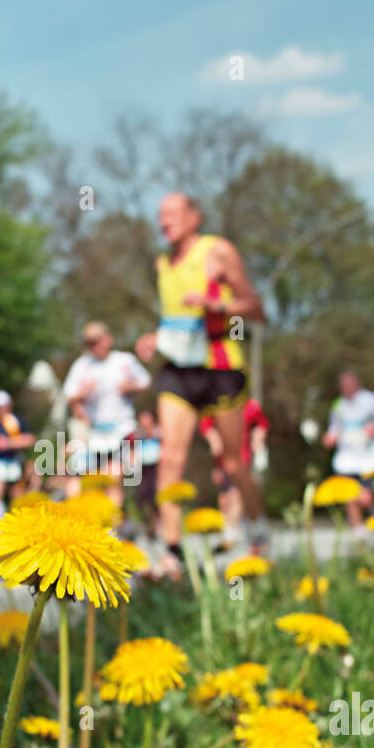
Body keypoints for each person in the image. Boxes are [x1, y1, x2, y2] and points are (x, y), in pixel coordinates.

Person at [134, 193, 269, 574]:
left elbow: (256, 309)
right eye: (160, 215)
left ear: (195, 217)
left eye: (172, 214)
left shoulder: (217, 252)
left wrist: (217, 307)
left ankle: (257, 533)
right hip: (179, 368)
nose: (165, 222)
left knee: (231, 461)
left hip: (221, 366)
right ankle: (170, 552)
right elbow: (174, 318)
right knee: (170, 457)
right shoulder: (162, 263)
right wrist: (153, 338)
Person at [61, 321, 151, 506]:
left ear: (108, 339)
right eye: (89, 343)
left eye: (96, 341)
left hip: (121, 429)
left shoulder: (124, 360)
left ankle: (112, 526)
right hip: (93, 432)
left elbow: (145, 381)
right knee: (85, 479)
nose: (93, 347)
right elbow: (68, 394)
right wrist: (82, 394)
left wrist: (130, 386)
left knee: (114, 477)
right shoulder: (82, 365)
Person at [321, 371, 374, 529]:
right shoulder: (338, 404)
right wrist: (329, 438)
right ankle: (359, 533)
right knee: (349, 495)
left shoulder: (372, 400)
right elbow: (334, 428)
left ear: (357, 383)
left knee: (365, 497)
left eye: (349, 384)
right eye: (343, 385)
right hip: (347, 458)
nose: (346, 388)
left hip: (370, 456)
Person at [200, 396, 269, 546]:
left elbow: (261, 424)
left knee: (236, 494)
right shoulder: (217, 405)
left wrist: (258, 441)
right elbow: (206, 425)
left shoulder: (250, 405)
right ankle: (229, 525)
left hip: (242, 459)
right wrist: (213, 438)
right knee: (225, 496)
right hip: (221, 460)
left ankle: (235, 530)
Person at [0, 390, 34, 520]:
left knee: (17, 496)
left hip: (15, 461)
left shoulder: (15, 421)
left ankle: (18, 524)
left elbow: (29, 439)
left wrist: (9, 443)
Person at [126, 407, 163, 539]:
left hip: (157, 469)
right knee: (143, 498)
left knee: (158, 497)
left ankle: (159, 524)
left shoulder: (160, 432)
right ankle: (149, 524)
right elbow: (130, 449)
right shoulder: (136, 435)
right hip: (142, 470)